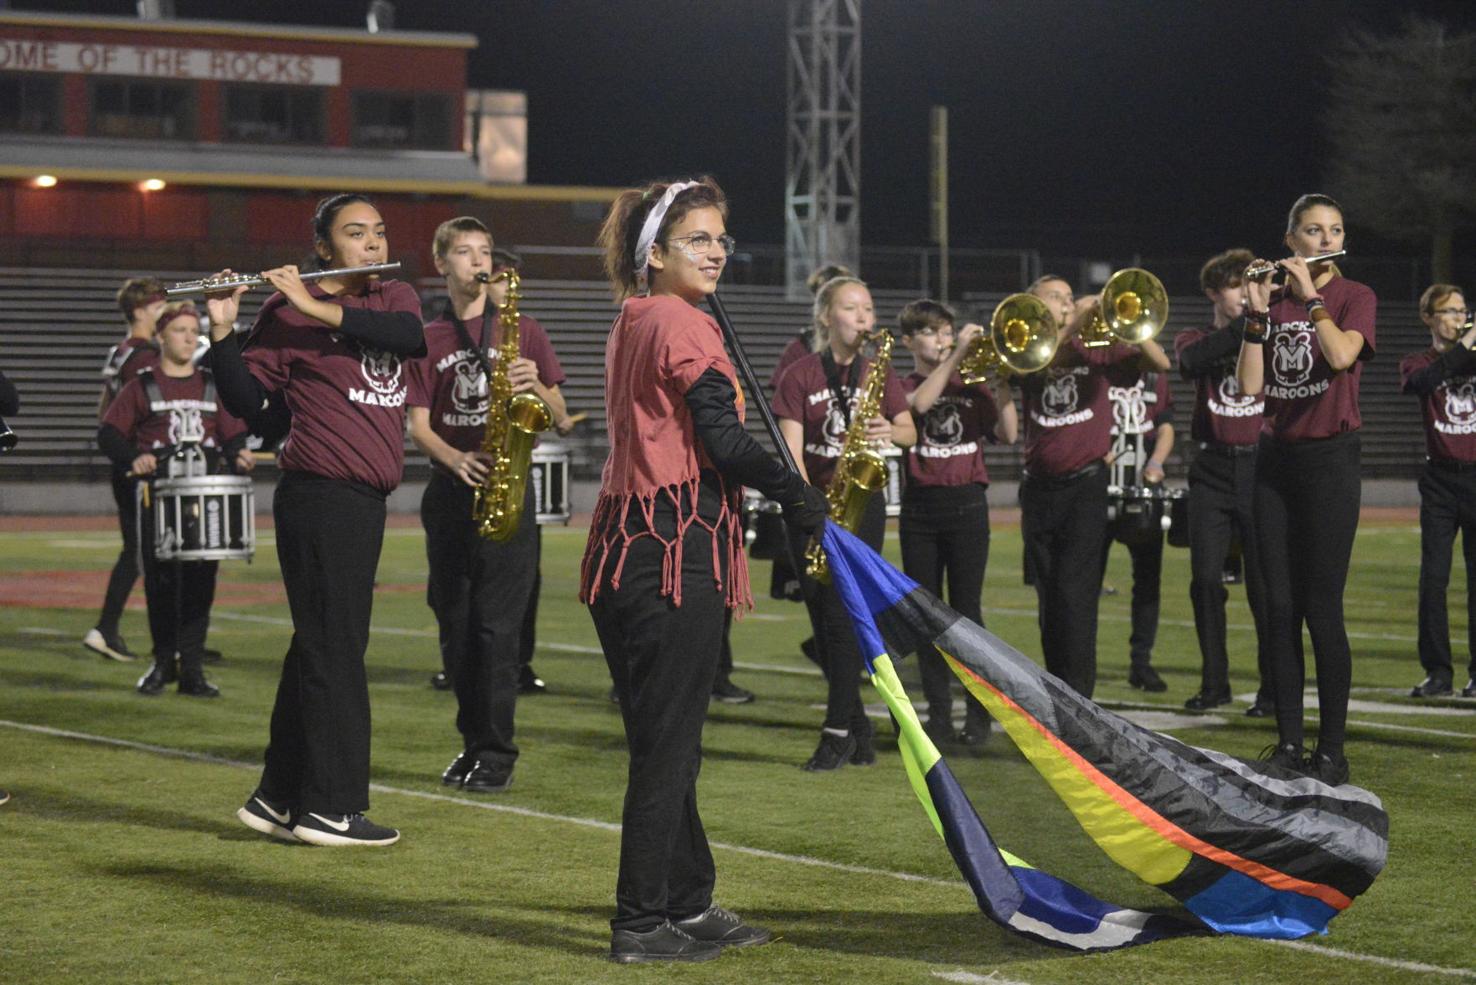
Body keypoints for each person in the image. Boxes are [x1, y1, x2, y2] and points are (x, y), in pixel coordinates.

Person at [581, 176, 825, 962]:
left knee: (668, 741)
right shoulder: (681, 321)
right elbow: (723, 438)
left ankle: (685, 901)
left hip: (624, 546)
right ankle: (640, 920)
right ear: (656, 253)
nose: (716, 250)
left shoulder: (633, 316)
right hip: (671, 552)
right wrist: (797, 490)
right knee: (667, 749)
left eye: (721, 237)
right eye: (698, 239)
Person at [205, 193, 425, 846]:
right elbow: (258, 412)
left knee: (318, 646)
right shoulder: (283, 310)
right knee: (336, 652)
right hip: (320, 495)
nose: (375, 245)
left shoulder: (395, 297)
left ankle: (276, 796)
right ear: (325, 247)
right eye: (356, 234)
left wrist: (315, 305)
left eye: (379, 232)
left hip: (363, 502)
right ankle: (331, 806)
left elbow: (408, 340)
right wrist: (223, 331)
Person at [405, 218, 568, 793]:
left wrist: (537, 387)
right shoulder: (427, 337)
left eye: (485, 251)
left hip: (509, 489)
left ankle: (497, 752)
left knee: (497, 631)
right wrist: (454, 459)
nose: (478, 260)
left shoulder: (523, 331)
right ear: (443, 263)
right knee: (455, 630)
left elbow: (562, 416)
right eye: (464, 251)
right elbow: (417, 425)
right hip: (452, 491)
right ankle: (472, 741)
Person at [1237, 194, 1376, 786]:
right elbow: (1250, 387)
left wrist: (1314, 298)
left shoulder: (1353, 296)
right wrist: (1255, 312)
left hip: (1330, 462)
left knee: (1321, 609)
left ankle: (1333, 750)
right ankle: (1290, 745)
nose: (1325, 239)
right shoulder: (1273, 300)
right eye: (1313, 231)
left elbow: (1342, 355)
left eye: (1335, 230)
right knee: (1278, 608)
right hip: (1276, 461)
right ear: (1291, 238)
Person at [773, 275, 917, 769]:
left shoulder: (879, 371)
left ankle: (836, 732)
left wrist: (889, 428)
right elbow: (790, 450)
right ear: (825, 318)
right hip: (813, 506)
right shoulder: (799, 375)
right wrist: (808, 502)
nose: (864, 319)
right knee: (824, 617)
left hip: (863, 503)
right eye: (853, 309)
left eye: (868, 309)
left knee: (841, 617)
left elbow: (909, 431)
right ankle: (857, 726)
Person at [1016, 275, 1170, 699]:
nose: (1066, 303)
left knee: (1076, 593)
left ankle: (1080, 696)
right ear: (1032, 305)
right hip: (1039, 488)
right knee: (1049, 596)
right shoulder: (1021, 342)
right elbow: (1034, 365)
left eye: (1069, 298)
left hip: (1086, 484)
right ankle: (1057, 687)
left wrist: (1126, 321)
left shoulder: (1098, 345)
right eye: (1055, 297)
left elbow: (1160, 364)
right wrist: (1076, 319)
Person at [97, 301, 253, 697]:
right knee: (161, 584)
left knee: (202, 584)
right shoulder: (144, 385)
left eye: (192, 331)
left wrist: (239, 452)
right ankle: (163, 663)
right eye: (180, 331)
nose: (189, 338)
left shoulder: (213, 384)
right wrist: (136, 457)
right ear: (162, 337)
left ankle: (193, 670)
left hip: (205, 504)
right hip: (158, 499)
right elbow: (109, 434)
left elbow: (233, 433)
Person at [897, 300, 1016, 748]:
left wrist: (1002, 383)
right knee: (925, 618)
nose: (942, 339)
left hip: (968, 506)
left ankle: (979, 716)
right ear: (909, 341)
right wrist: (956, 355)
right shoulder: (903, 383)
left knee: (968, 615)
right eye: (930, 332)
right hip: (921, 511)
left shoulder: (973, 383)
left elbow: (1008, 434)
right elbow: (922, 404)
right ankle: (940, 717)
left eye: (946, 331)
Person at [1176, 249, 1271, 714]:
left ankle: (1272, 686)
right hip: (1211, 469)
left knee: (1265, 585)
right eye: (1236, 285)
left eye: (1249, 284)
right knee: (1204, 582)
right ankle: (1215, 682)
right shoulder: (1196, 337)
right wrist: (1253, 315)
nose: (1245, 292)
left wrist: (1259, 318)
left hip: (1261, 469)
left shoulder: (1269, 336)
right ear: (1214, 292)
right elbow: (1192, 361)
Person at [84, 277, 166, 662]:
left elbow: (104, 408)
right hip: (138, 463)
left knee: (144, 549)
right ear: (139, 310)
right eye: (156, 305)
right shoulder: (146, 356)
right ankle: (105, 628)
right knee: (140, 551)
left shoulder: (119, 351)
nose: (162, 310)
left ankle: (170, 637)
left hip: (124, 459)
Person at [1400, 283, 1476, 699]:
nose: (1458, 318)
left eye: (1463, 311)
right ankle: (1438, 673)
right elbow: (1425, 382)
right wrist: (1467, 342)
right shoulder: (1416, 362)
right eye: (1448, 311)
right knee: (1434, 579)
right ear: (1428, 317)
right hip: (1440, 480)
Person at [1098, 359, 1174, 691]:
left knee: (1147, 580)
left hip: (1142, 488)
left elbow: (1166, 424)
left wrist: (1156, 461)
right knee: (1085, 582)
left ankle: (1140, 663)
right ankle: (1080, 663)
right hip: (1099, 489)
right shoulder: (1098, 370)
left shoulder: (1153, 374)